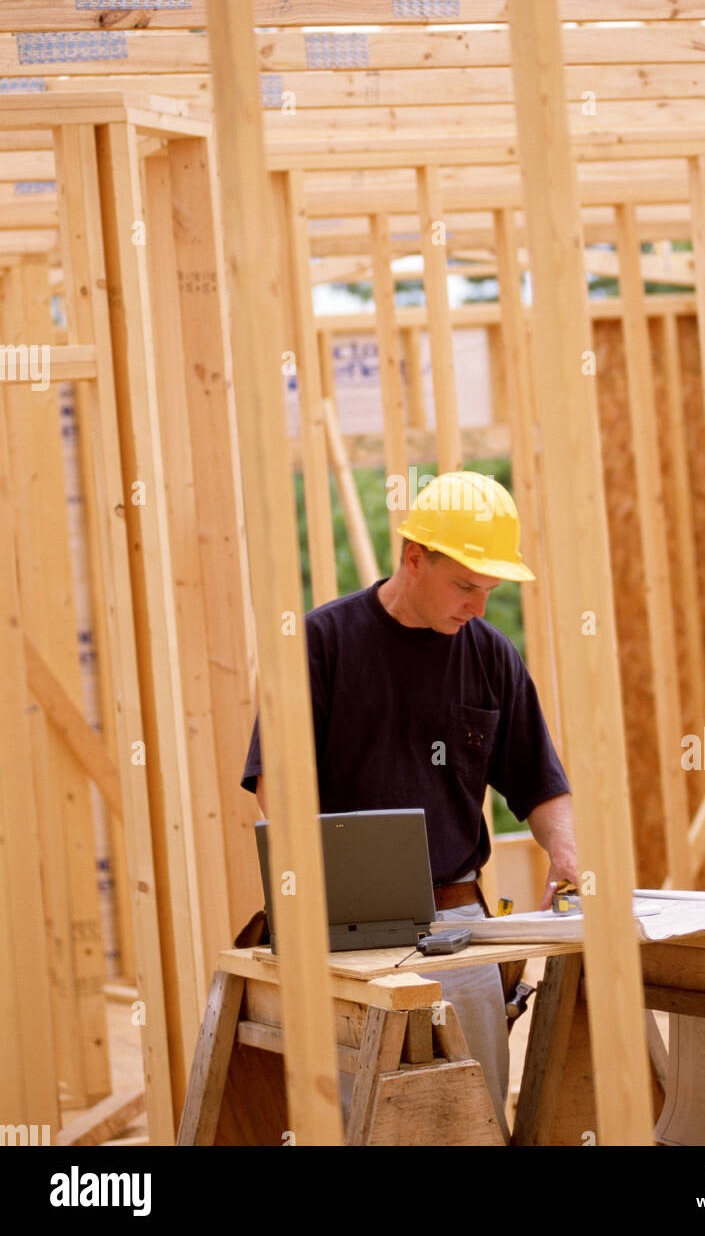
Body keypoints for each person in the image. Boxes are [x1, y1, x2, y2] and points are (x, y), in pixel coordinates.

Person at [241, 470, 578, 1139]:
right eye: (463, 586)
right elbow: (275, 783)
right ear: (413, 558)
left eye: (489, 591)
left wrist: (564, 847)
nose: (478, 608)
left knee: (473, 1120)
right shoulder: (320, 644)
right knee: (357, 1125)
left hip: (458, 929)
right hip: (342, 935)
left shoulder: (490, 655)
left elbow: (539, 781)